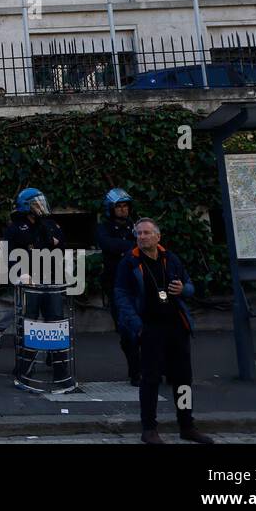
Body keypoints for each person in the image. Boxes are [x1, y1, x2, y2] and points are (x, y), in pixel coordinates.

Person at [114, 217, 213, 445]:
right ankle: (149, 428)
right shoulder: (129, 262)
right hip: (149, 327)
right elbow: (121, 295)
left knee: (183, 379)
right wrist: (137, 326)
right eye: (138, 233)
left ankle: (186, 424)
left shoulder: (171, 258)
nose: (141, 237)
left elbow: (189, 285)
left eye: (146, 233)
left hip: (176, 326)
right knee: (150, 379)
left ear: (157, 236)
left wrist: (183, 289)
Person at [0, 188, 68, 380]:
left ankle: (60, 367)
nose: (40, 207)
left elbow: (61, 245)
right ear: (26, 206)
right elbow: (7, 255)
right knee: (27, 323)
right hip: (29, 283)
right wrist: (20, 274)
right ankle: (24, 366)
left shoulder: (48, 224)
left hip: (50, 279)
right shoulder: (14, 228)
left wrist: (56, 243)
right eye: (36, 204)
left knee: (55, 322)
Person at [97, 188, 139, 384]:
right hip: (116, 285)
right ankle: (135, 368)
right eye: (119, 207)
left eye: (125, 206)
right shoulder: (104, 228)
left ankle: (148, 366)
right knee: (125, 329)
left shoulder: (135, 226)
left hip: (138, 283)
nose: (123, 210)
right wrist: (131, 247)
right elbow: (107, 244)